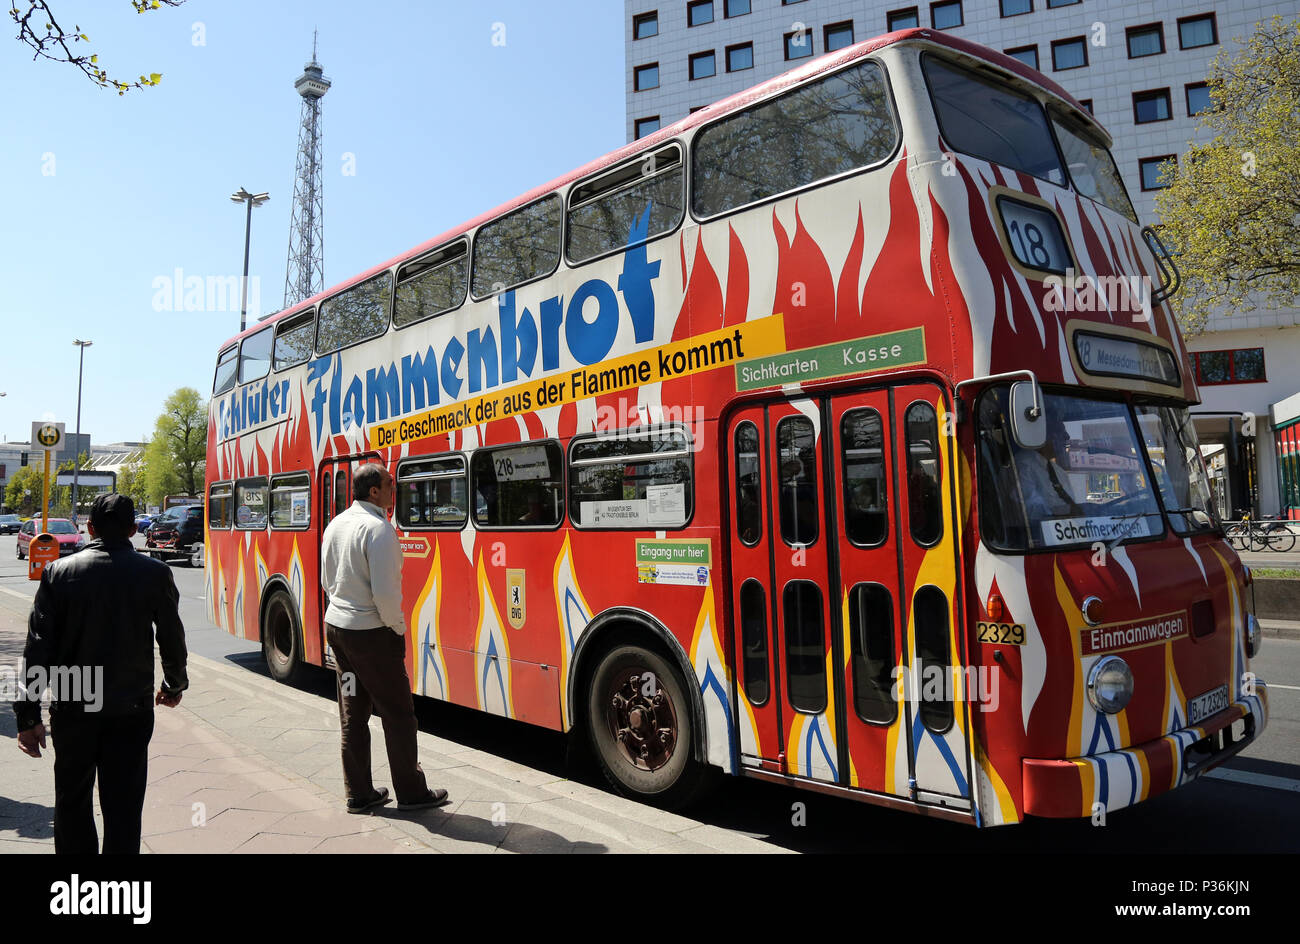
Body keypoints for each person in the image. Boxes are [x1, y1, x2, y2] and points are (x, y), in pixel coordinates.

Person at [13, 493, 188, 854]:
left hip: (73, 703)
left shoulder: (58, 573)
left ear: (90, 528)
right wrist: (173, 684)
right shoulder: (154, 573)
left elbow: (38, 648)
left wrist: (27, 716)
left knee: (72, 801)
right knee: (124, 806)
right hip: (131, 706)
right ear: (132, 529)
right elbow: (171, 635)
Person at [320, 463, 448, 813]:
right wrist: (397, 629)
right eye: (390, 483)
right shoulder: (379, 530)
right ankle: (411, 792)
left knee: (352, 711)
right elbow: (386, 594)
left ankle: (358, 792)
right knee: (398, 713)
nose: (395, 488)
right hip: (372, 637)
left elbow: (327, 581)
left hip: (339, 633)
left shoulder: (336, 525)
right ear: (374, 491)